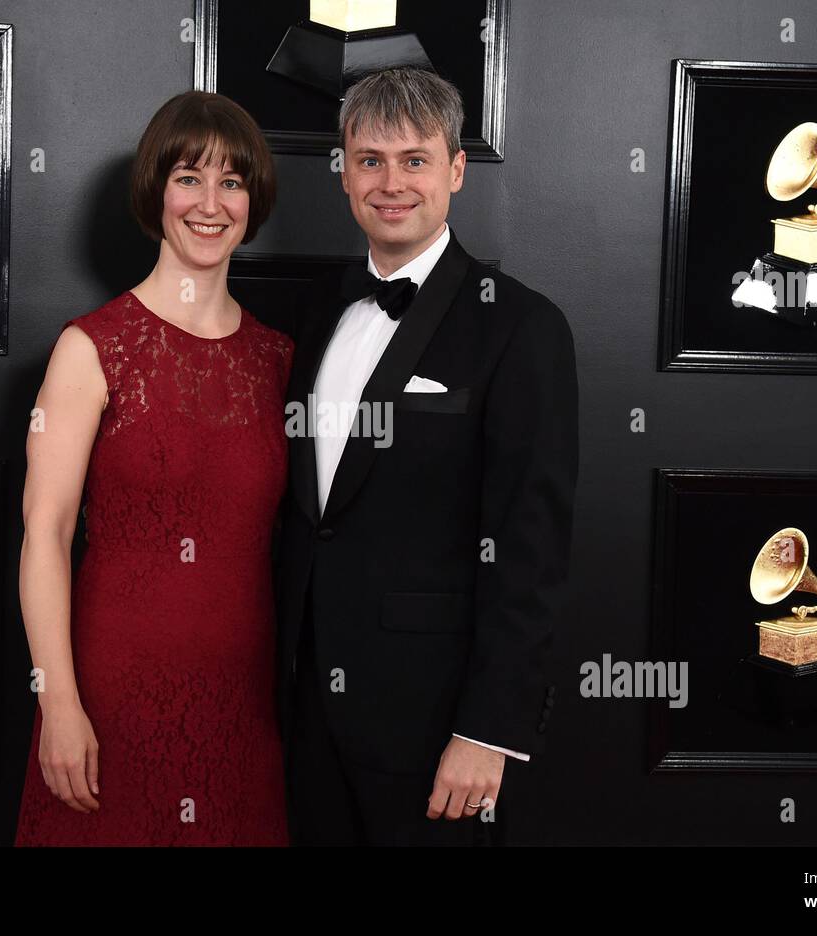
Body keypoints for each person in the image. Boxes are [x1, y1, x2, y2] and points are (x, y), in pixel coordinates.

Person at [275, 67, 580, 845]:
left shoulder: (521, 327)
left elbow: (530, 551)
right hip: (302, 710)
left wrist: (488, 730)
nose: (391, 182)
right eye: (370, 159)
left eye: (414, 159)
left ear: (455, 169)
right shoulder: (317, 310)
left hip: (436, 726)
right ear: (343, 172)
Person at [15, 91, 293, 845]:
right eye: (188, 177)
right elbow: (45, 535)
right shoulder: (93, 348)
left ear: (253, 200)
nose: (211, 203)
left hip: (242, 707)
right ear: (154, 191)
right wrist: (60, 704)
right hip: (110, 701)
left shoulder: (277, 360)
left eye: (232, 181)